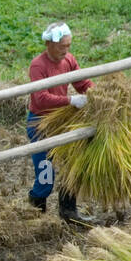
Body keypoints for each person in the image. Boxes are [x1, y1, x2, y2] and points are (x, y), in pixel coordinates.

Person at [28, 21, 95, 226]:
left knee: (72, 167)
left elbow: (82, 83)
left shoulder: (69, 60)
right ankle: (36, 214)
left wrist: (95, 92)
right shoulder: (38, 66)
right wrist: (71, 101)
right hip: (42, 125)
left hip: (63, 123)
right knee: (46, 176)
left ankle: (68, 212)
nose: (66, 51)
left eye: (68, 46)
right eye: (62, 46)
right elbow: (40, 98)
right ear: (49, 43)